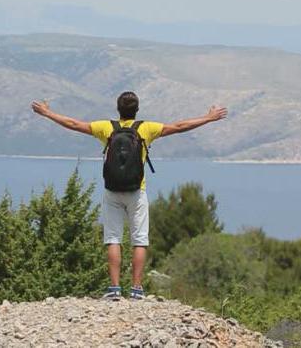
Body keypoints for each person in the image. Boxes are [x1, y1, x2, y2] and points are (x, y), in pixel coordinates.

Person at [31, 91, 227, 300]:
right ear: (137, 110)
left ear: (118, 109)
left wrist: (47, 113)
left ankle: (114, 289)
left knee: (113, 238)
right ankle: (136, 289)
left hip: (112, 190)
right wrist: (208, 118)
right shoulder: (146, 128)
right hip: (136, 191)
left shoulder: (106, 127)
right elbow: (179, 127)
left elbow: (73, 124)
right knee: (139, 239)